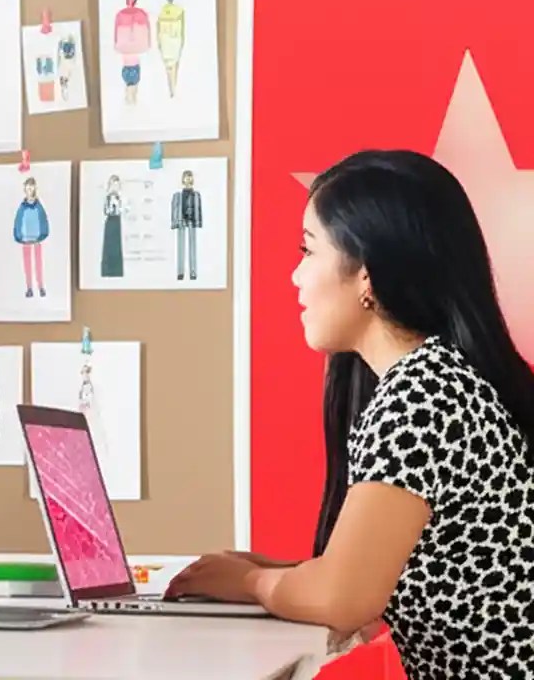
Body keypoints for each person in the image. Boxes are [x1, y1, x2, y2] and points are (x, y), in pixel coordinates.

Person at [164, 150, 534, 678]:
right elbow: (371, 571)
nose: (295, 275)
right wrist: (269, 571)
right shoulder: (443, 379)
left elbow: (343, 597)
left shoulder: (422, 396)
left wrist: (249, 583)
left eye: (308, 249)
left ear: (365, 273)